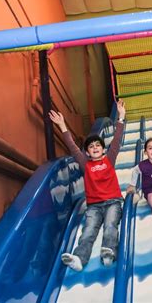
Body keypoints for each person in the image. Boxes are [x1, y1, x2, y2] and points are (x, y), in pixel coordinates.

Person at [48, 100, 126, 271]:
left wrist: (121, 117)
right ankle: (79, 259)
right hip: (94, 206)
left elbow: (117, 141)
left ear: (103, 149)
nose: (95, 147)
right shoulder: (85, 164)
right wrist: (62, 126)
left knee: (111, 226)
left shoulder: (109, 159)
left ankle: (109, 252)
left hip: (113, 201)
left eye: (98, 145)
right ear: (88, 153)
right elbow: (73, 148)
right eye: (91, 147)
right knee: (89, 230)